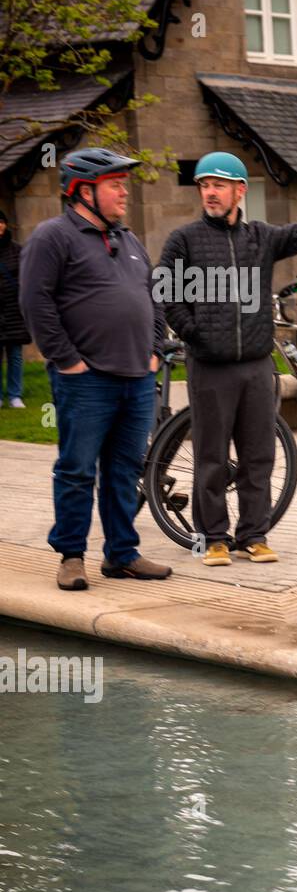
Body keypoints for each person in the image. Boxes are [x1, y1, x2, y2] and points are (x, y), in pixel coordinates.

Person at [161, 151, 297, 566]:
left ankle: (253, 534)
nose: (210, 192)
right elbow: (167, 294)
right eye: (205, 185)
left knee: (258, 454)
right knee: (210, 454)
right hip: (209, 365)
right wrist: (195, 335)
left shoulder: (260, 237)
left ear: (239, 191)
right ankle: (214, 539)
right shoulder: (184, 240)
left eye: (219, 185)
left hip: (258, 364)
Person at [19, 148, 172, 590]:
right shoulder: (52, 237)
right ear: (84, 190)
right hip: (86, 382)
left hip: (137, 378)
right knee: (77, 469)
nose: (125, 191)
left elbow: (153, 296)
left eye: (124, 182)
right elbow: (35, 303)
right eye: (115, 183)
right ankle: (71, 556)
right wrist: (67, 360)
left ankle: (121, 554)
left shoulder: (129, 240)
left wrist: (155, 349)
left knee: (125, 470)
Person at [0, 209, 29, 408]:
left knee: (15, 355)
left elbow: (26, 276)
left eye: (1, 222)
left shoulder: (17, 250)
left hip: (13, 310)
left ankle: (15, 394)